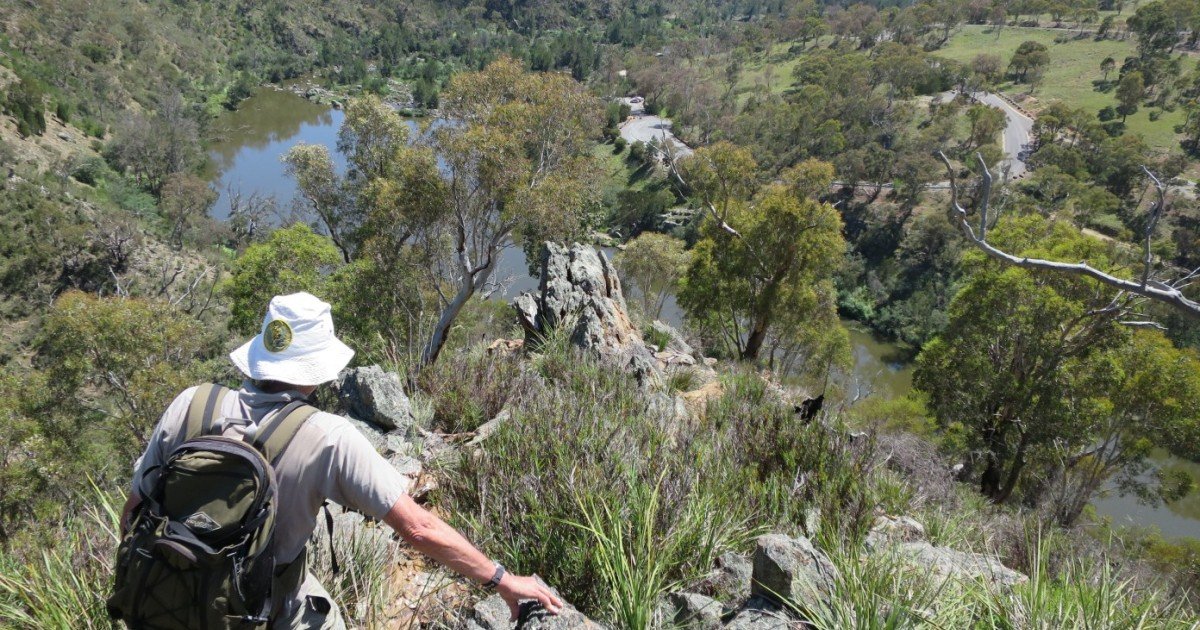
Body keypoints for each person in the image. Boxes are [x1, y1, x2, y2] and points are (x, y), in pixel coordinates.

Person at [120, 292, 562, 628]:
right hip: (261, 610)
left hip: (164, 593)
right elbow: (418, 527)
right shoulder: (328, 436)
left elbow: (134, 510)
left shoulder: (189, 403)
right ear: (319, 368)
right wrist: (504, 580)